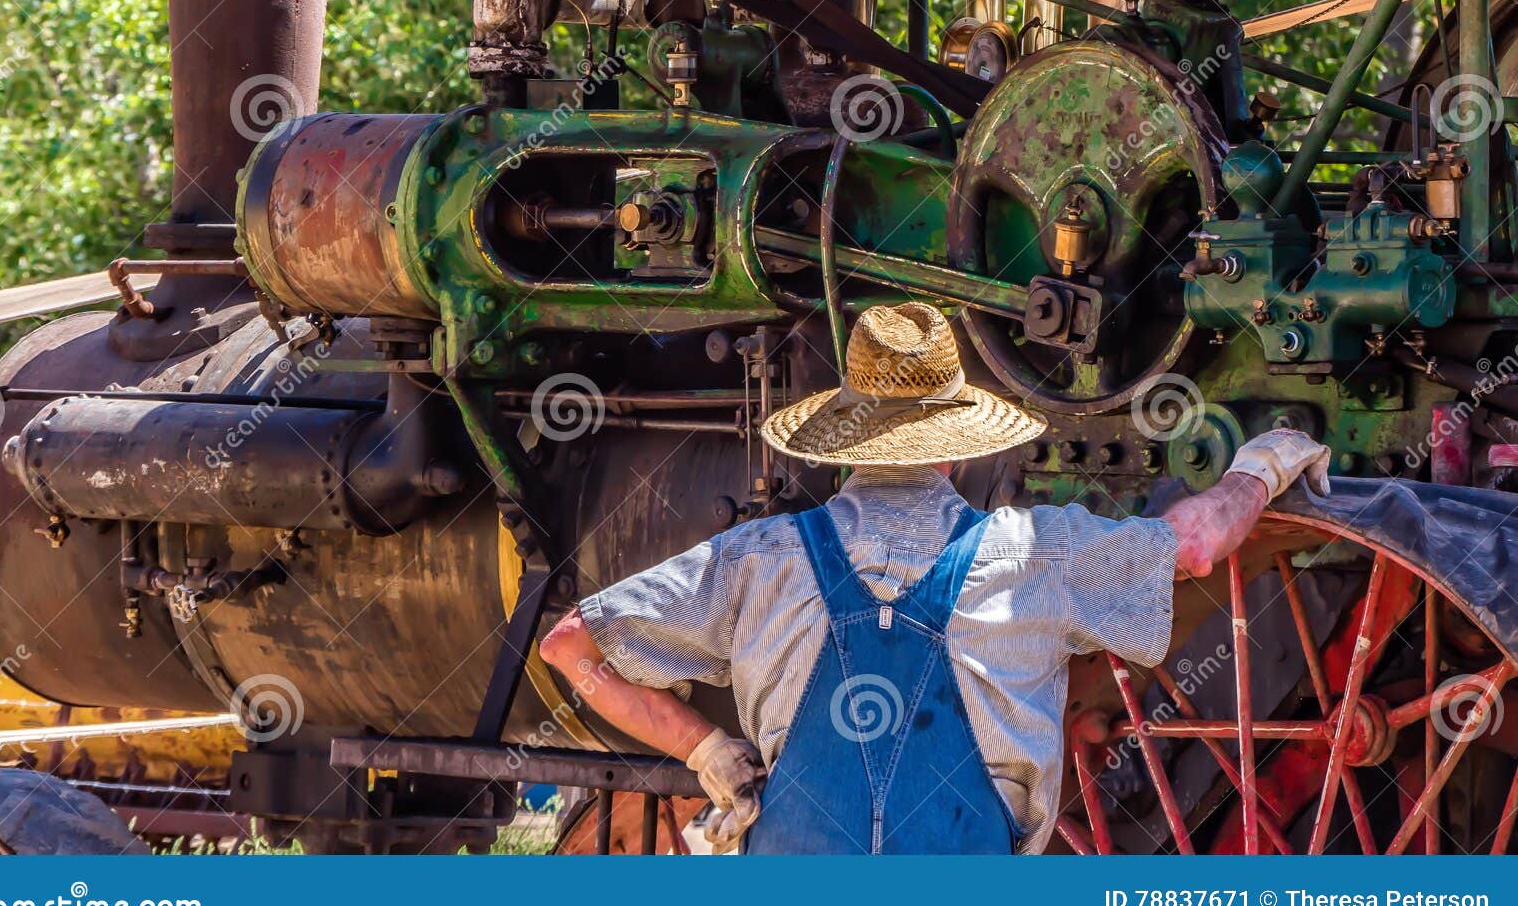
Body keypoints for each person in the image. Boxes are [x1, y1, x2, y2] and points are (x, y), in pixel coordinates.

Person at [540, 301, 1329, 854]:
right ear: (960, 446)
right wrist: (1259, 469)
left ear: (846, 444)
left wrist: (704, 748)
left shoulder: (760, 556)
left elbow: (570, 644)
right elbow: (1192, 548)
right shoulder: (1032, 551)